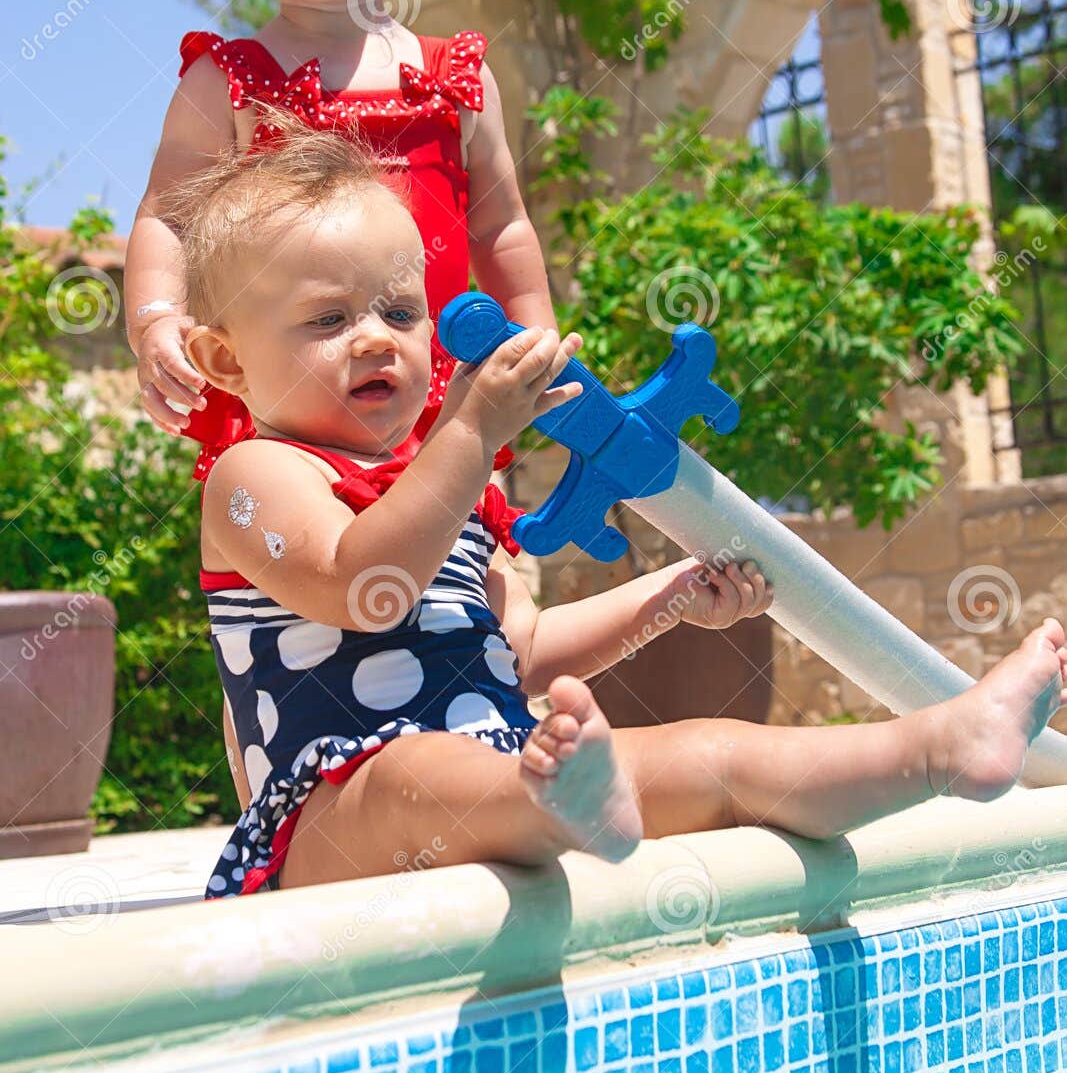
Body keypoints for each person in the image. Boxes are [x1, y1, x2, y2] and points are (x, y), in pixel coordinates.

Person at [157, 122, 1067, 902]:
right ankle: (553, 798)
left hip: (508, 758)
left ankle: (944, 747)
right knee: (410, 777)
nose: (374, 336)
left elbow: (515, 654)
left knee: (711, 750)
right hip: (330, 823)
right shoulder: (255, 473)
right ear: (226, 361)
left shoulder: (445, 488)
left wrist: (661, 599)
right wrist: (471, 431)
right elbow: (364, 589)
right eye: (326, 320)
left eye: (399, 309)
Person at [123, 0, 554, 473]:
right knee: (306, 572)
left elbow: (501, 224)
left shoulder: (454, 80)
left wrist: (533, 328)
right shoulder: (228, 83)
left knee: (460, 573)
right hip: (287, 414)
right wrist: (157, 318)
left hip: (435, 397)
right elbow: (166, 216)